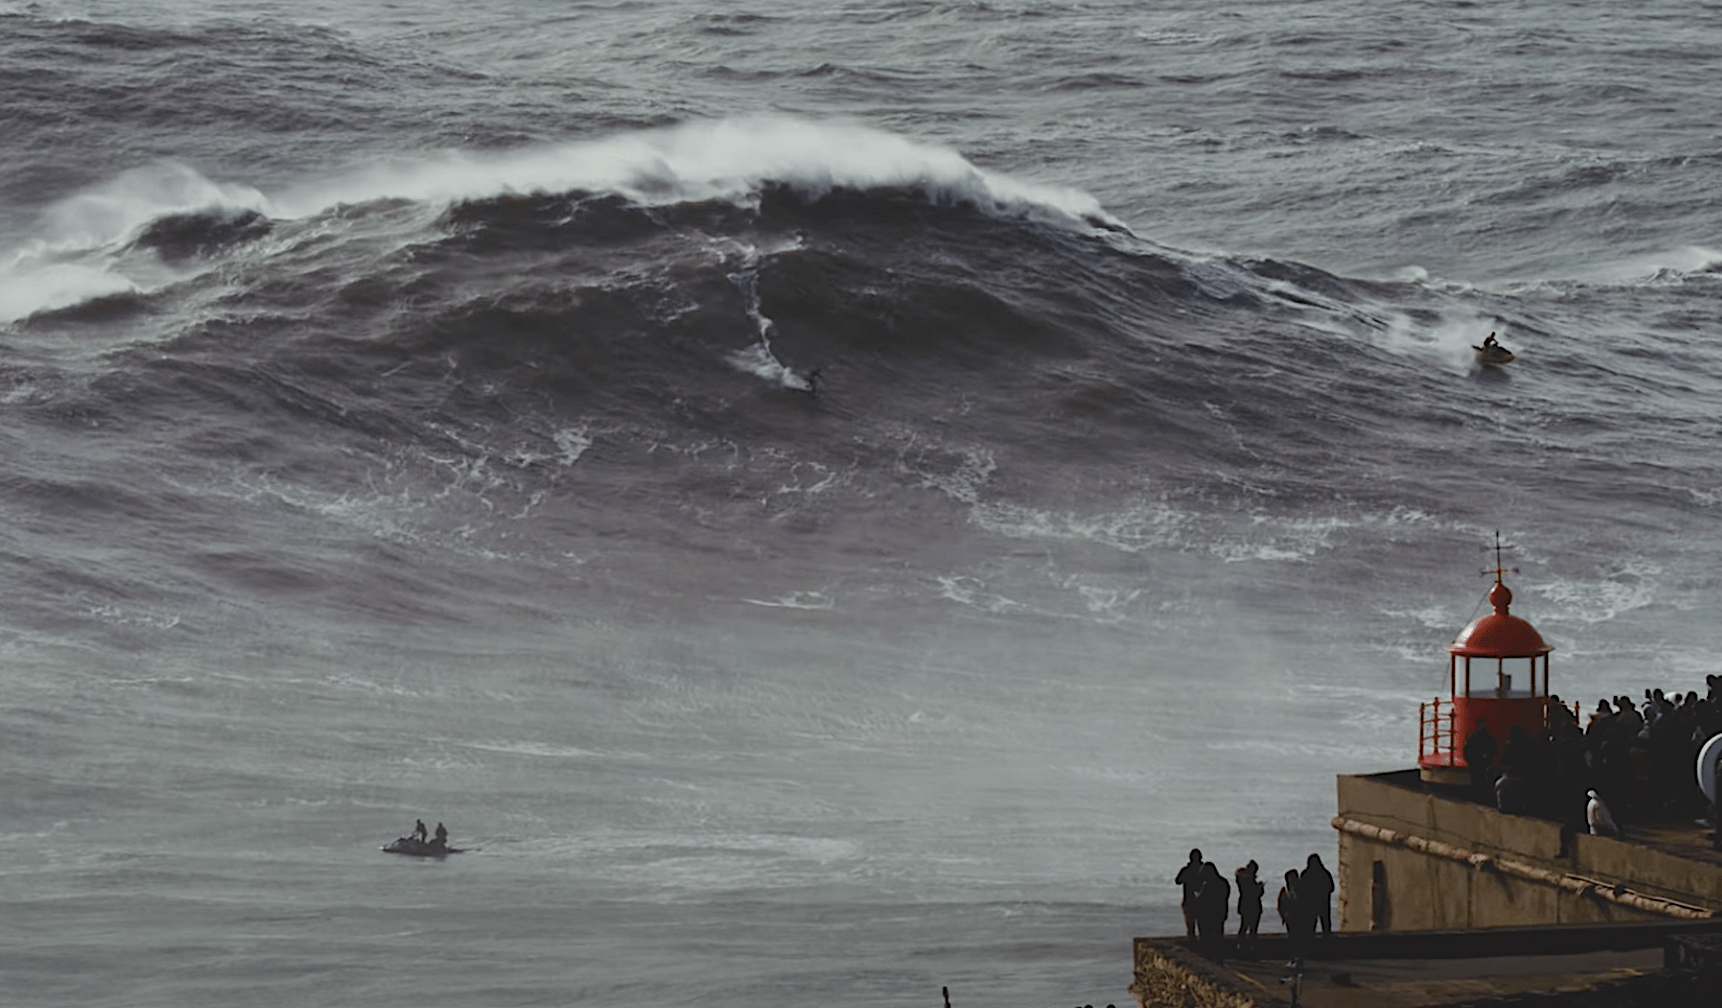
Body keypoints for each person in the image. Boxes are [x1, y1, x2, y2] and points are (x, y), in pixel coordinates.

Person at [1193, 862, 1230, 959]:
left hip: (1207, 913)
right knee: (1218, 934)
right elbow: (1225, 897)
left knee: (1206, 935)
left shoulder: (1207, 884)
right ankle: (1219, 955)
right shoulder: (1223, 882)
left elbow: (1200, 898)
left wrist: (1196, 892)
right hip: (1220, 911)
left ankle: (1207, 954)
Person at [1277, 870, 1313, 966]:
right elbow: (1281, 905)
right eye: (1290, 878)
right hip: (1290, 919)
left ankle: (1299, 959)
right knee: (1292, 940)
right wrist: (1284, 916)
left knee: (1299, 939)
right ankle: (1293, 958)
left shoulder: (1301, 889)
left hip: (1299, 918)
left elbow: (1306, 904)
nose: (1292, 880)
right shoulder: (1285, 890)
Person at [1463, 719, 1498, 803]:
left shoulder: (1474, 737)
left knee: (1478, 782)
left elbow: (1466, 750)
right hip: (1481, 764)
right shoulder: (1488, 737)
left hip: (1477, 764)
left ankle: (1478, 798)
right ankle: (1481, 799)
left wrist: (1470, 761)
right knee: (1481, 782)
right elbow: (1494, 750)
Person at [1299, 854, 1335, 937]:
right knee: (1325, 923)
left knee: (1311, 925)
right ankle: (1327, 940)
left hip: (1311, 904)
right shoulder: (1325, 873)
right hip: (1323, 902)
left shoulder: (1305, 874)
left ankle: (1310, 941)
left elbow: (1301, 890)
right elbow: (1331, 888)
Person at [1234, 861, 1264, 954]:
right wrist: (1260, 888)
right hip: (1253, 905)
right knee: (1253, 928)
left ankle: (1241, 946)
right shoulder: (1249, 880)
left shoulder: (1241, 877)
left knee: (1244, 926)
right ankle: (1251, 947)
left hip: (1244, 904)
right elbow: (1254, 894)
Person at [1175, 849, 1204, 940]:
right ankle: (1204, 947)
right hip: (1201, 902)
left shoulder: (1186, 870)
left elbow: (1178, 881)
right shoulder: (1204, 870)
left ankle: (1193, 945)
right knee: (1202, 927)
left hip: (1189, 901)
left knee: (1191, 927)